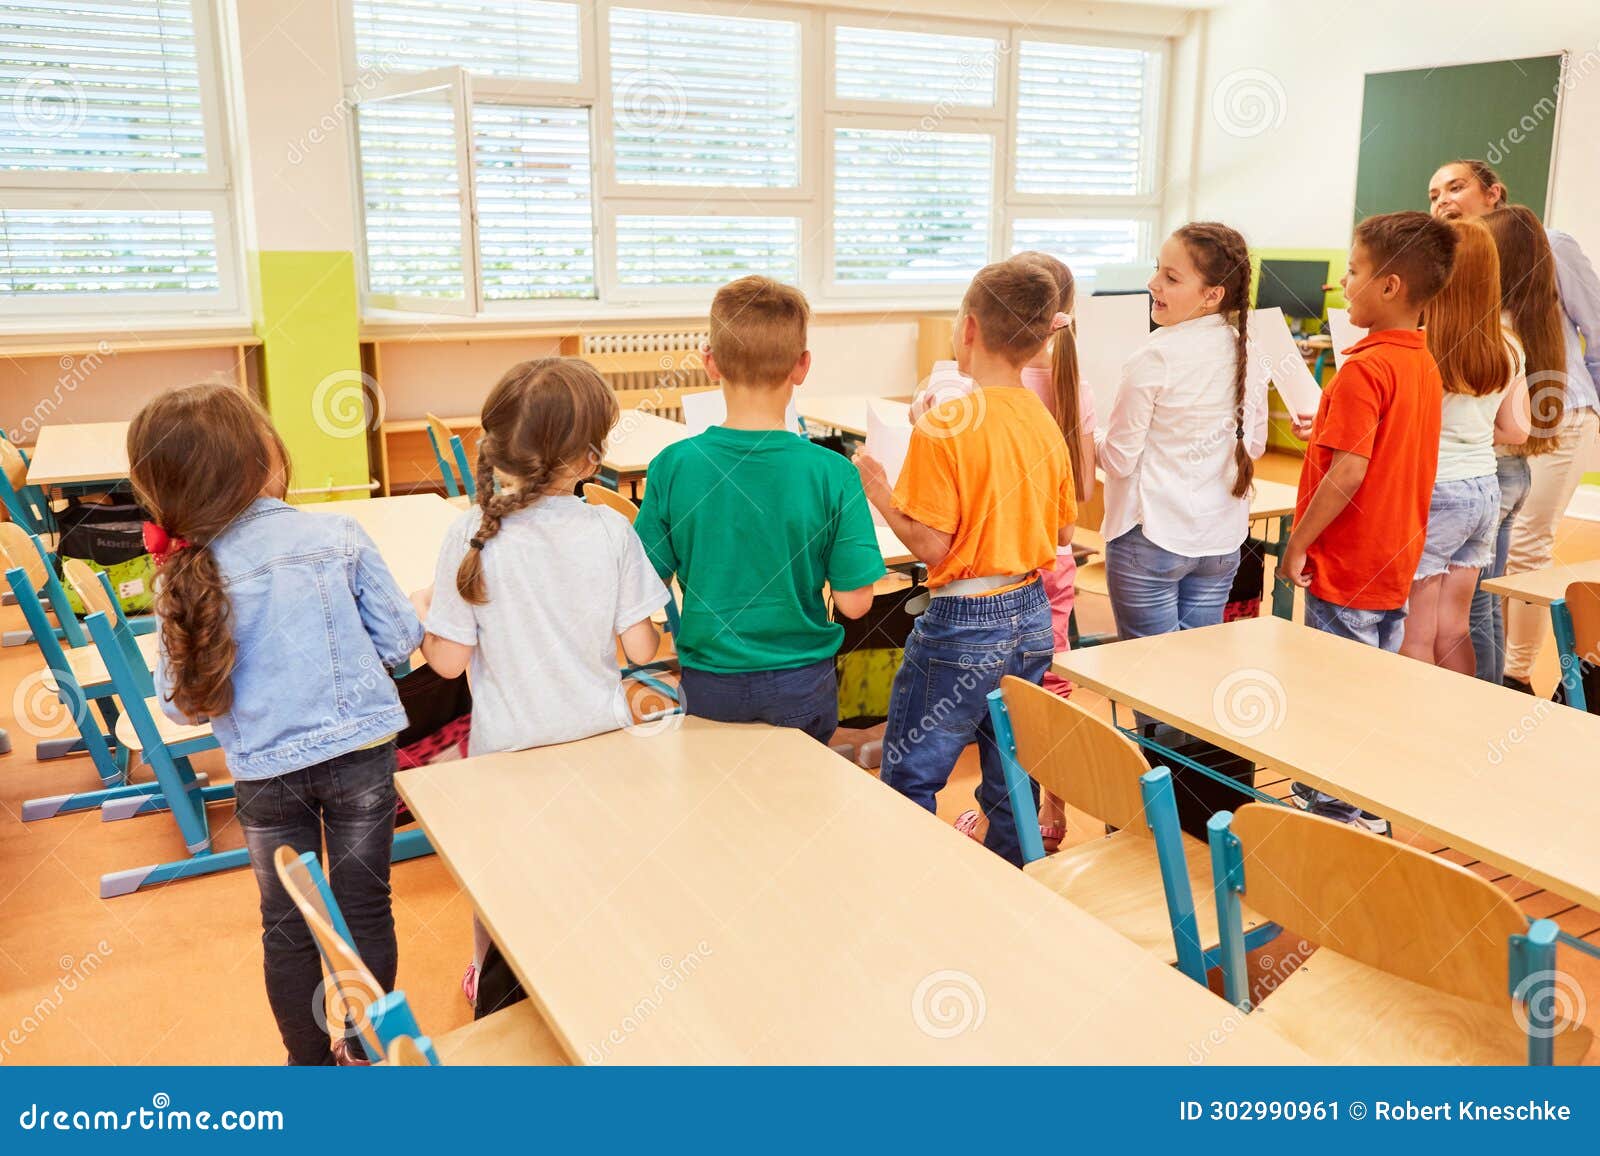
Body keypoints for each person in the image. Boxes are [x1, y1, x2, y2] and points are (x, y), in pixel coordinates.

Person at [130, 384, 423, 1065]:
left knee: (285, 928)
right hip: (359, 758)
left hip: (264, 772)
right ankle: (370, 1052)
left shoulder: (185, 574)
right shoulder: (336, 536)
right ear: (266, 455)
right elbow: (401, 640)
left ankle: (307, 1067)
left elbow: (178, 704)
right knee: (366, 911)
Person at [413, 358, 671, 1008]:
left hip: (506, 752)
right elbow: (643, 647)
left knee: (501, 884)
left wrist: (423, 616)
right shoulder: (611, 531)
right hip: (600, 749)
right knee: (591, 876)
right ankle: (588, 987)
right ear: (589, 460)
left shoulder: (470, 535)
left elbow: (445, 665)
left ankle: (485, 973)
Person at [854, 257, 1076, 867]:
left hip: (964, 620)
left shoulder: (945, 423)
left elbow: (931, 547)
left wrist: (879, 492)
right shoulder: (1042, 418)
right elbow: (1062, 530)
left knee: (912, 773)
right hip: (1030, 612)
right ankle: (1008, 875)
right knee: (1009, 771)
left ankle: (916, 884)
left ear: (969, 329)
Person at [634, 276, 883, 743]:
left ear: (710, 362)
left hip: (710, 681)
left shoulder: (671, 467)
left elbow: (643, 583)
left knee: (721, 800)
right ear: (802, 366)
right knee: (799, 798)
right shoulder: (833, 473)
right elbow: (855, 603)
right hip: (803, 684)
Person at [1281, 211, 1458, 832]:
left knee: (1334, 697)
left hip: (1348, 562)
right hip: (1393, 559)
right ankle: (1356, 804)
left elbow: (1349, 475)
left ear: (1389, 286)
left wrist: (1295, 543)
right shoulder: (1420, 362)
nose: (1342, 285)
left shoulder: (1362, 367)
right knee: (1368, 689)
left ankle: (1334, 816)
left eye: (1352, 272)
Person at [1428, 159, 1600, 691]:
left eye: (1455, 187)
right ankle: (1484, 670)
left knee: (1526, 547)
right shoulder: (1453, 258)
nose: (1442, 201)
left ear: (1493, 193)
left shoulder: (1551, 244)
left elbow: (1596, 325)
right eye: (1433, 194)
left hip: (1557, 412)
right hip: (1497, 426)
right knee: (1486, 564)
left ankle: (1514, 676)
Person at [1097, 222, 1269, 641]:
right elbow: (1256, 445)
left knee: (1150, 679)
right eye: (1158, 269)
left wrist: (1086, 431)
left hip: (1151, 538)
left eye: (1171, 278)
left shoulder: (1154, 356)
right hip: (1221, 540)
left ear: (1213, 295)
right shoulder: (1249, 351)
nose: (1153, 283)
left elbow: (1118, 459)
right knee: (1192, 673)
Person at [1401, 219, 1521, 674]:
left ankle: (1415, 729)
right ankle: (1457, 728)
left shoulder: (1420, 344)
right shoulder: (1509, 344)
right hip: (1483, 490)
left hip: (1434, 493)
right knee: (1453, 626)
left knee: (1417, 629)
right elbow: (1516, 429)